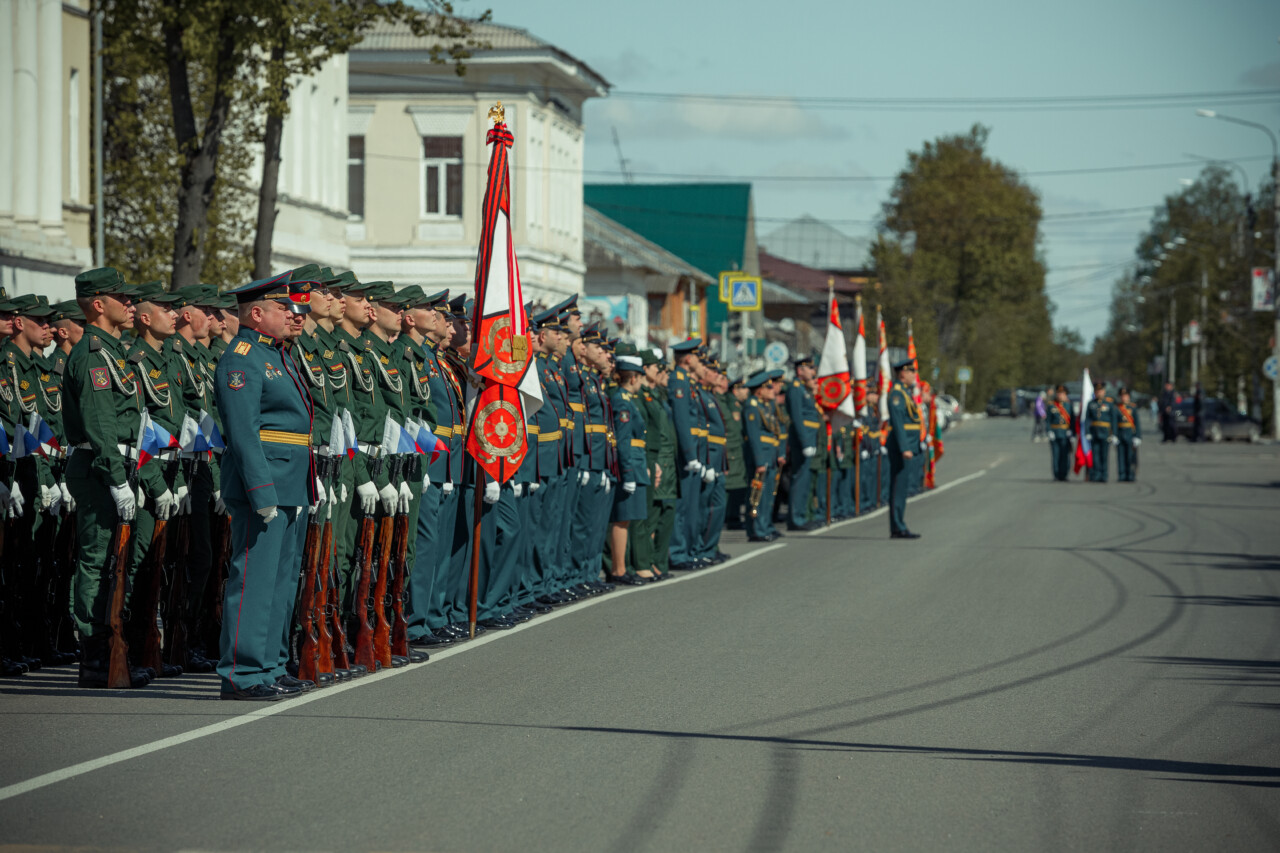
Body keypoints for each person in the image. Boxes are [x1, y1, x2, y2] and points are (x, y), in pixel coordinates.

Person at [213, 273, 317, 701]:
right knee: (254, 578)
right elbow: (243, 433)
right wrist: (260, 491)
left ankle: (271, 663)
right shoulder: (242, 358)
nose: (293, 314)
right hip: (267, 484)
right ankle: (242, 672)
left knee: (281, 579)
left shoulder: (277, 355)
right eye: (283, 308)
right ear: (256, 314)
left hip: (291, 480)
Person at [606, 343, 650, 584]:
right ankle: (619, 570)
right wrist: (628, 472)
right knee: (622, 519)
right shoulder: (622, 401)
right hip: (630, 463)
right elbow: (623, 441)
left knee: (628, 518)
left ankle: (623, 567)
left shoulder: (628, 400)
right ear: (633, 377)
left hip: (636, 461)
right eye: (640, 377)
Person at [742, 370, 781, 542]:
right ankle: (757, 529)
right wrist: (759, 461)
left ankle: (764, 526)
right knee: (757, 494)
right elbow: (754, 436)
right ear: (759, 390)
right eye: (769, 387)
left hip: (769, 454)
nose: (772, 390)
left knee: (766, 495)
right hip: (760, 456)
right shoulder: (752, 406)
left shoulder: (764, 406)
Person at [784, 355, 821, 530]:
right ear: (800, 371)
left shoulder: (804, 390)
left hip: (809, 438)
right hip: (802, 440)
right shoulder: (795, 389)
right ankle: (796, 519)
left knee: (804, 480)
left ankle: (801, 516)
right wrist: (805, 441)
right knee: (799, 479)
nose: (812, 372)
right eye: (809, 368)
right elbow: (798, 418)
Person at [885, 358, 921, 539]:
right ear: (902, 373)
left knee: (902, 486)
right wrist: (905, 447)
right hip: (902, 447)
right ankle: (897, 526)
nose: (914, 375)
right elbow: (898, 424)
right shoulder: (897, 395)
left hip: (909, 445)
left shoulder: (905, 393)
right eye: (911, 371)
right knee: (898, 487)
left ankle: (899, 524)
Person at [1085, 381, 1117, 483]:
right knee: (1095, 456)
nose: (1099, 393)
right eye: (1097, 391)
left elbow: (1113, 420)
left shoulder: (1109, 403)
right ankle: (1096, 475)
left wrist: (1114, 434)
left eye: (1101, 391)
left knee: (1104, 455)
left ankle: (1104, 475)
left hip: (1105, 433)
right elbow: (1087, 419)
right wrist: (1087, 432)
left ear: (1104, 391)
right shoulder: (1091, 404)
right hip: (1094, 433)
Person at [1046, 384, 1073, 481]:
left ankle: (1064, 474)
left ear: (1065, 394)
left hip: (1065, 433)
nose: (1060, 395)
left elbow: (1072, 420)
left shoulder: (1069, 405)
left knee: (1065, 455)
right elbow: (1048, 420)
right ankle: (1056, 474)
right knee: (1056, 455)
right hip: (1055, 432)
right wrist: (1049, 431)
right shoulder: (1051, 405)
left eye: (1062, 393)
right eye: (1059, 393)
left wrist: (1072, 432)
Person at [1115, 388, 1141, 482]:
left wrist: (1137, 436)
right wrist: (1114, 434)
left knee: (1130, 456)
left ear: (1129, 397)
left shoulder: (1133, 408)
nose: (1124, 398)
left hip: (1130, 434)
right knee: (1121, 456)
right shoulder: (1117, 408)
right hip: (1120, 433)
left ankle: (1131, 475)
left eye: (1125, 396)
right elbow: (1115, 422)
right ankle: (1122, 475)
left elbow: (1137, 424)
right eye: (1122, 396)